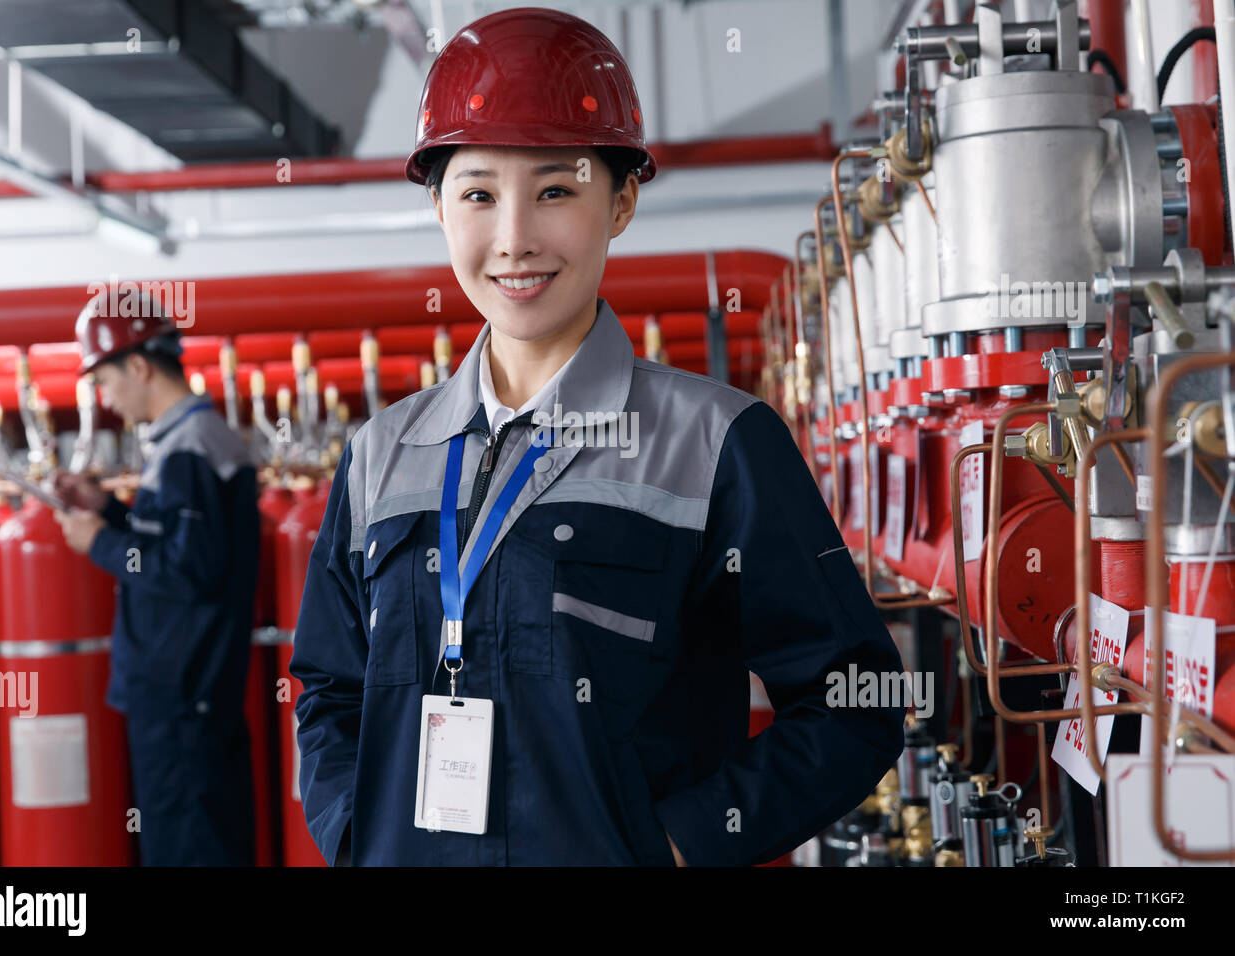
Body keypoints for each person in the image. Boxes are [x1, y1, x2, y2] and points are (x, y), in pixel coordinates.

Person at [289, 6, 905, 866]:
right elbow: (326, 685)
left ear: (620, 203)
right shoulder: (379, 455)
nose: (513, 240)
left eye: (555, 190)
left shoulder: (719, 443)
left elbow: (856, 702)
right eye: (477, 194)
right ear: (438, 207)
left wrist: (677, 843)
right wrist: (361, 834)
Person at [55, 293, 259, 866]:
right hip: (187, 697)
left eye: (105, 378)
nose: (106, 396)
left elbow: (183, 571)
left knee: (187, 848)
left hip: (181, 699)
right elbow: (174, 544)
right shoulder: (189, 441)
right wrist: (110, 510)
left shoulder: (190, 448)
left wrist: (98, 541)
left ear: (139, 366)